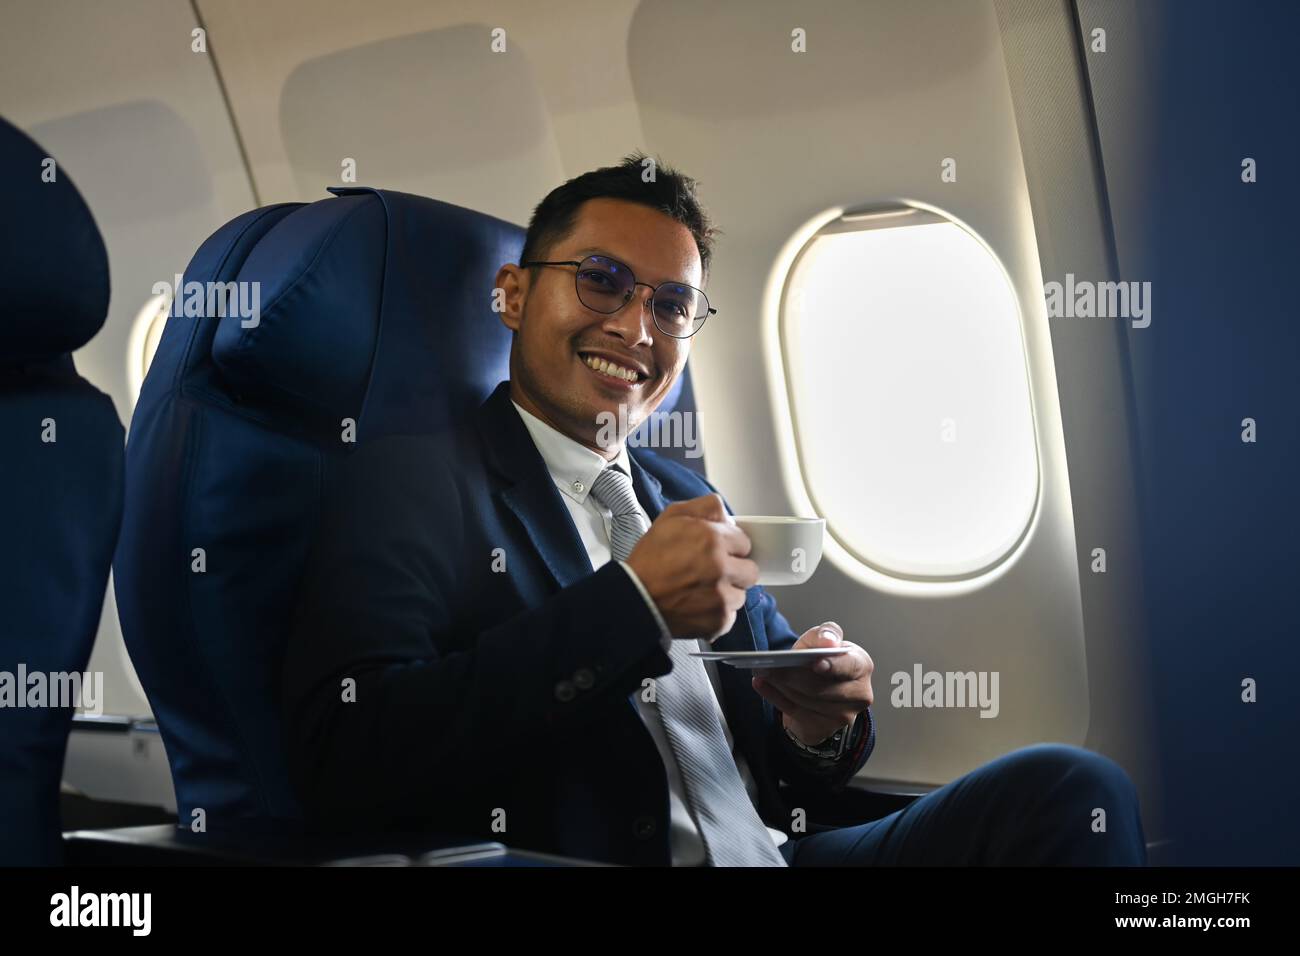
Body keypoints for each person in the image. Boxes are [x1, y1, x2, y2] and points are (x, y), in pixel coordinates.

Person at [282, 152, 1148, 867]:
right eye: (601, 281)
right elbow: (351, 753)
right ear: (512, 294)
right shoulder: (410, 483)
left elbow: (782, 777)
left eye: (671, 305)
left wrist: (815, 722)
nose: (637, 329)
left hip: (773, 855)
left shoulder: (688, 498)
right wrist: (630, 606)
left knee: (1071, 792)